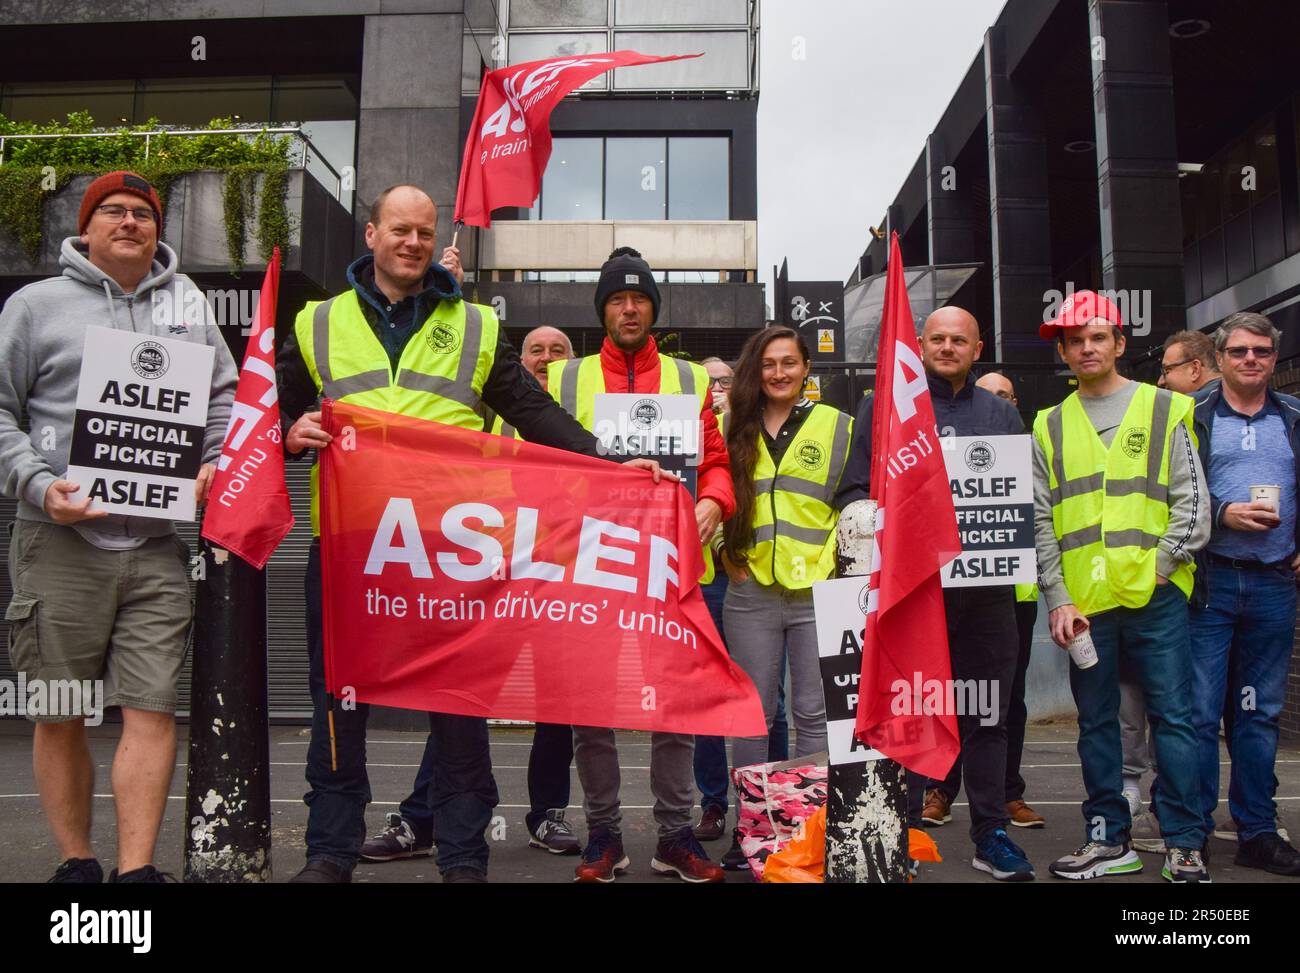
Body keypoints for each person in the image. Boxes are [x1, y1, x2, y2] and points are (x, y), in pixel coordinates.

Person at [278, 188, 663, 883]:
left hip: (444, 551)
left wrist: (607, 464)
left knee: (457, 706)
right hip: (348, 548)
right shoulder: (317, 322)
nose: (413, 242)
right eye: (400, 229)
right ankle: (329, 852)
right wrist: (288, 434)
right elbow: (265, 412)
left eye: (425, 232)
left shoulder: (478, 325)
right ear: (372, 233)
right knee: (338, 699)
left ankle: (462, 858)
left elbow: (535, 411)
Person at [0, 171, 238, 883]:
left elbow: (224, 398)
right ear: (87, 226)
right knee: (60, 710)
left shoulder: (189, 304)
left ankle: (137, 872)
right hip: (58, 542)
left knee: (151, 707)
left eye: (143, 213)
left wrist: (216, 461)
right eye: (114, 211)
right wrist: (42, 487)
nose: (130, 222)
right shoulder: (34, 306)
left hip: (158, 548)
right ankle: (77, 862)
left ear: (157, 229)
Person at [360, 324, 583, 862]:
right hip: (492, 573)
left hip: (561, 571)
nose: (546, 358)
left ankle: (546, 813)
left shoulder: (580, 416)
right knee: (462, 697)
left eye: (559, 351)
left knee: (557, 699)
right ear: (519, 358)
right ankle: (421, 817)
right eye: (536, 350)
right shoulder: (487, 408)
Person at [548, 246, 735, 883]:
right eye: (617, 299)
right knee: (591, 711)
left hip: (672, 573)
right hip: (592, 571)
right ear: (602, 309)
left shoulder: (688, 379)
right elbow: (532, 460)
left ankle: (675, 838)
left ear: (655, 307)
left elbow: (715, 460)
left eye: (640, 299)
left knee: (674, 711)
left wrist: (715, 498)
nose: (629, 309)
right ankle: (604, 836)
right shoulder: (566, 378)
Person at [838, 308, 1031, 881]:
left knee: (987, 712)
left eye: (959, 340)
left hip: (988, 592)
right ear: (919, 343)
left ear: (978, 348)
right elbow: (853, 488)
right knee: (913, 709)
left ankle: (991, 832)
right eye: (937, 338)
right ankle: (904, 830)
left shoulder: (1001, 413)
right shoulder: (883, 406)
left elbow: (1020, 497)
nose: (947, 347)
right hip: (914, 592)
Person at [1032, 290, 1211, 883]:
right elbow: (1042, 519)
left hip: (1156, 598)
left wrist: (1160, 568)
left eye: (1097, 337)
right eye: (1075, 340)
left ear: (1119, 344)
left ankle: (1185, 842)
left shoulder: (1166, 409)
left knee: (1176, 719)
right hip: (1085, 606)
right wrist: (1058, 597)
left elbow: (1193, 507)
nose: (1087, 347)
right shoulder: (1050, 426)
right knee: (1098, 724)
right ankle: (1109, 840)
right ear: (1064, 350)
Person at [719, 326, 852, 875]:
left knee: (813, 718)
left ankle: (807, 830)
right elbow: (715, 493)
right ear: (757, 369)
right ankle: (750, 828)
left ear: (805, 369)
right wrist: (727, 551)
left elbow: (857, 504)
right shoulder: (732, 426)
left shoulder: (840, 427)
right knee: (751, 715)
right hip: (750, 591)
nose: (779, 373)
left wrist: (839, 570)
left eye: (790, 363)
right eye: (769, 363)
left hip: (816, 593)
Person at [1188, 311, 1300, 876]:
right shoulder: (1193, 416)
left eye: (1261, 351)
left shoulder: (1295, 418)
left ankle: (1257, 830)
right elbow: (1169, 495)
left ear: (1273, 359)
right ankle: (1194, 832)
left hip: (1274, 584)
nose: (1250, 359)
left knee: (1258, 714)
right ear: (1220, 358)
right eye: (1239, 351)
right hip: (1212, 582)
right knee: (1203, 714)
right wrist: (1222, 512)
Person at [691, 356, 790, 846]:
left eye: (724, 380)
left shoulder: (751, 428)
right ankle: (713, 804)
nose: (715, 388)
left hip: (758, 576)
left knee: (769, 698)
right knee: (709, 696)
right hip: (707, 578)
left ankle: (776, 799)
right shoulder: (689, 430)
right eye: (707, 382)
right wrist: (720, 550)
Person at [973, 370, 1047, 830]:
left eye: (1006, 396)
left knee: (1007, 700)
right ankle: (940, 790)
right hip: (956, 587)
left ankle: (1008, 793)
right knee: (946, 695)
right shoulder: (947, 443)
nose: (998, 402)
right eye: (989, 395)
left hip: (1014, 593)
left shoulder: (1030, 446)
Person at [1158, 330, 1220, 395]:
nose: (1160, 382)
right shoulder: (1227, 394)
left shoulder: (1195, 403)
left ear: (1195, 369)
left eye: (1167, 371)